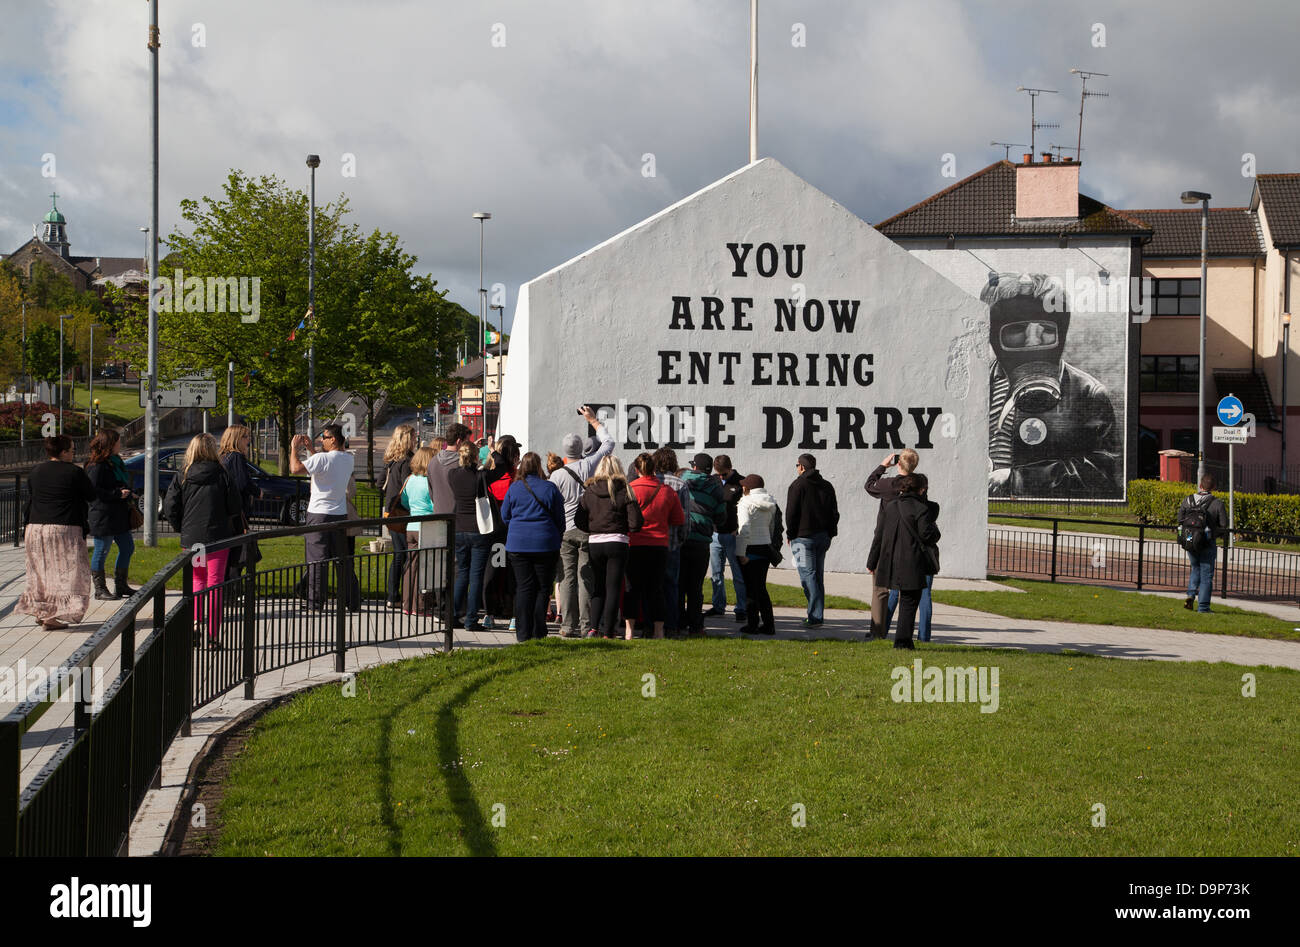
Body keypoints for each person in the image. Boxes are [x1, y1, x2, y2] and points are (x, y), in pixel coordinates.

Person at [983, 272, 1120, 498]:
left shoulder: (1088, 394)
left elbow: (1102, 472)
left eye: (1046, 329)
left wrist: (1015, 478)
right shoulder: (974, 385)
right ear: (995, 333)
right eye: (1018, 329)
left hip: (1033, 508)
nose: (1034, 339)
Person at [162, 433, 243, 647]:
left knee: (197, 580)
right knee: (215, 582)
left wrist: (182, 527)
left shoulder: (183, 474)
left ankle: (196, 623)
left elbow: (170, 506)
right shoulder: (222, 474)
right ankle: (213, 635)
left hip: (193, 539)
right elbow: (235, 505)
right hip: (218, 538)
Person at [550, 406, 615, 638]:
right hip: (587, 528)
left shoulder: (556, 475)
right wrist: (593, 421)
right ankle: (588, 625)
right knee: (586, 577)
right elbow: (608, 443)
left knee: (566, 579)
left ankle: (568, 625)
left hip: (566, 530)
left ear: (565, 452)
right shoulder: (589, 464)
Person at [19, 435, 96, 629]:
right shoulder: (74, 472)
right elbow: (91, 495)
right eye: (71, 450)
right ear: (62, 452)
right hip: (64, 528)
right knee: (67, 573)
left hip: (35, 528)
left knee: (40, 572)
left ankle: (42, 611)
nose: (73, 453)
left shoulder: (36, 471)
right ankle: (51, 616)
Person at [866, 449, 933, 641]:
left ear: (898, 464)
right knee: (917, 594)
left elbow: (869, 485)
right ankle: (921, 635)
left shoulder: (889, 485)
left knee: (884, 590)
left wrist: (882, 466)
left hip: (890, 539)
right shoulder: (919, 484)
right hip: (912, 543)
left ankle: (880, 630)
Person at [290, 423, 358, 611]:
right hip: (339, 514)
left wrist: (294, 449)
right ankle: (351, 600)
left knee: (317, 560)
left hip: (318, 514)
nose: (322, 440)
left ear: (333, 439)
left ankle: (315, 602)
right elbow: (324, 464)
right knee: (341, 559)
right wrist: (312, 449)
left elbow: (295, 469)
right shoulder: (348, 459)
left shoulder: (321, 459)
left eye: (324, 437)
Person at [575, 455, 643, 638]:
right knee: (613, 588)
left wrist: (593, 528)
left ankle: (593, 627)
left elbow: (578, 519)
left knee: (598, 586)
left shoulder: (589, 491)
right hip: (617, 542)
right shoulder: (625, 490)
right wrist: (623, 528)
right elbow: (636, 522)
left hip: (595, 542)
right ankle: (609, 630)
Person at [501, 451, 566, 641]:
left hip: (518, 543)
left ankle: (523, 632)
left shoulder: (514, 488)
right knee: (543, 588)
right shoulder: (550, 488)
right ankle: (539, 630)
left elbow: (505, 516)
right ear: (539, 467)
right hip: (545, 543)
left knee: (523, 588)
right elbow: (559, 518)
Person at [626, 452, 685, 639]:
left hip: (634, 543)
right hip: (659, 544)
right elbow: (678, 519)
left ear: (636, 470)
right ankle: (659, 631)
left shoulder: (629, 489)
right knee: (656, 588)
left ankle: (629, 630)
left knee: (632, 588)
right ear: (654, 468)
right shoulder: (667, 490)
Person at [786, 453, 839, 626]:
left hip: (802, 538)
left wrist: (790, 534)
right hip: (822, 537)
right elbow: (834, 513)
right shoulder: (826, 486)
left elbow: (791, 514)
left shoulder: (797, 485)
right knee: (817, 577)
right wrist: (830, 533)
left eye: (797, 465)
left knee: (807, 577)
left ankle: (815, 616)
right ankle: (816, 614)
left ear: (801, 466)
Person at [84, 429, 137, 601]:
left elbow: (118, 482)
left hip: (118, 514)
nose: (120, 445)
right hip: (103, 515)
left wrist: (128, 493)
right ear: (110, 444)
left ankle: (121, 585)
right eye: (118, 442)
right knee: (101, 550)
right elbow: (93, 491)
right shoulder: (96, 465)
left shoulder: (114, 462)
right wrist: (116, 494)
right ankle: (100, 589)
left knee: (128, 547)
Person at [680, 453, 725, 636]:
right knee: (696, 587)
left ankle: (678, 622)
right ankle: (696, 625)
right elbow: (721, 517)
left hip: (682, 538)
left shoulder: (682, 480)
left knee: (679, 584)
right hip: (702, 542)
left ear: (695, 467)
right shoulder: (716, 487)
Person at [448, 443, 492, 629]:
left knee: (462, 574)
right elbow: (493, 468)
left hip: (458, 527)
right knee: (476, 576)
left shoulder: (453, 475)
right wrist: (491, 450)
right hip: (477, 528)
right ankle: (471, 619)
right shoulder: (480, 475)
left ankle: (454, 614)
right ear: (476, 457)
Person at [653, 447, 695, 637]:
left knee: (651, 585)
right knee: (671, 585)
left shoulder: (648, 482)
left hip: (650, 540)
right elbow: (685, 518)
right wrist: (680, 540)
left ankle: (651, 624)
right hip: (672, 542)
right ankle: (670, 625)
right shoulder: (680, 484)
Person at [482, 435, 521, 631]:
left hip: (494, 531)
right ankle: (512, 611)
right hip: (511, 531)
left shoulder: (490, 475)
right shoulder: (514, 478)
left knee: (494, 570)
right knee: (511, 572)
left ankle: (490, 611)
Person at [735, 474, 781, 636]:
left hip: (750, 549)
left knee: (750, 589)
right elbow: (772, 527)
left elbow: (744, 528)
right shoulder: (771, 502)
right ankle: (769, 625)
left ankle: (753, 624)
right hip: (765, 548)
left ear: (747, 488)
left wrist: (740, 553)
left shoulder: (744, 502)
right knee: (761, 588)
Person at [706, 454, 748, 624]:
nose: (721, 477)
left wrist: (737, 529)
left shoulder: (741, 482)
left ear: (730, 468)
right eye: (719, 474)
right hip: (715, 534)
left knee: (738, 574)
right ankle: (718, 605)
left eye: (724, 474)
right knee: (716, 573)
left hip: (732, 534)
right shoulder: (713, 481)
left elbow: (746, 508)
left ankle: (741, 608)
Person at [1178, 473, 1229, 613]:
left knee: (1195, 568)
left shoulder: (1187, 500)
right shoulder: (1217, 503)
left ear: (1200, 485)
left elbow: (1180, 520)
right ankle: (1203, 607)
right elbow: (1224, 525)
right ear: (1214, 487)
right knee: (1206, 574)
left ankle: (1190, 594)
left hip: (1189, 540)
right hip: (1207, 541)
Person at [378, 423, 416, 609]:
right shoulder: (408, 461)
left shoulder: (390, 460)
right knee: (403, 555)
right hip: (403, 511)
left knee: (398, 554)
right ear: (408, 439)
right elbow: (407, 486)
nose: (416, 440)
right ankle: (397, 595)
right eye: (414, 437)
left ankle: (392, 595)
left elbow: (379, 484)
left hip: (390, 511)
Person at [218, 425, 259, 586]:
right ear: (237, 439)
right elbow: (242, 482)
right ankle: (233, 588)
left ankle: (228, 586)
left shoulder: (223, 456)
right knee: (238, 552)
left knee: (229, 550)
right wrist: (257, 491)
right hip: (238, 511)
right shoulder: (236, 457)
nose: (248, 440)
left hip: (227, 511)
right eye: (245, 437)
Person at [399, 446, 437, 616]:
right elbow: (435, 505)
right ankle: (421, 605)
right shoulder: (430, 482)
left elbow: (405, 501)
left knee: (411, 566)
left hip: (411, 526)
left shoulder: (409, 479)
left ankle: (407, 603)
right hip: (427, 526)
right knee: (426, 568)